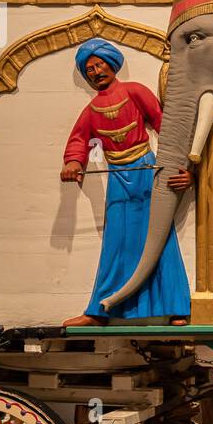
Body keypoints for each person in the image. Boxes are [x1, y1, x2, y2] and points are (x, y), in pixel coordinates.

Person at [59, 37, 192, 327]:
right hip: (117, 178)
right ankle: (99, 311)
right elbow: (79, 140)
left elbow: (165, 127)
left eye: (99, 64)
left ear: (112, 63)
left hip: (147, 172)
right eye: (89, 69)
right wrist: (73, 163)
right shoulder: (92, 110)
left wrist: (183, 167)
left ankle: (176, 306)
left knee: (159, 238)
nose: (95, 72)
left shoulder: (134, 91)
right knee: (116, 244)